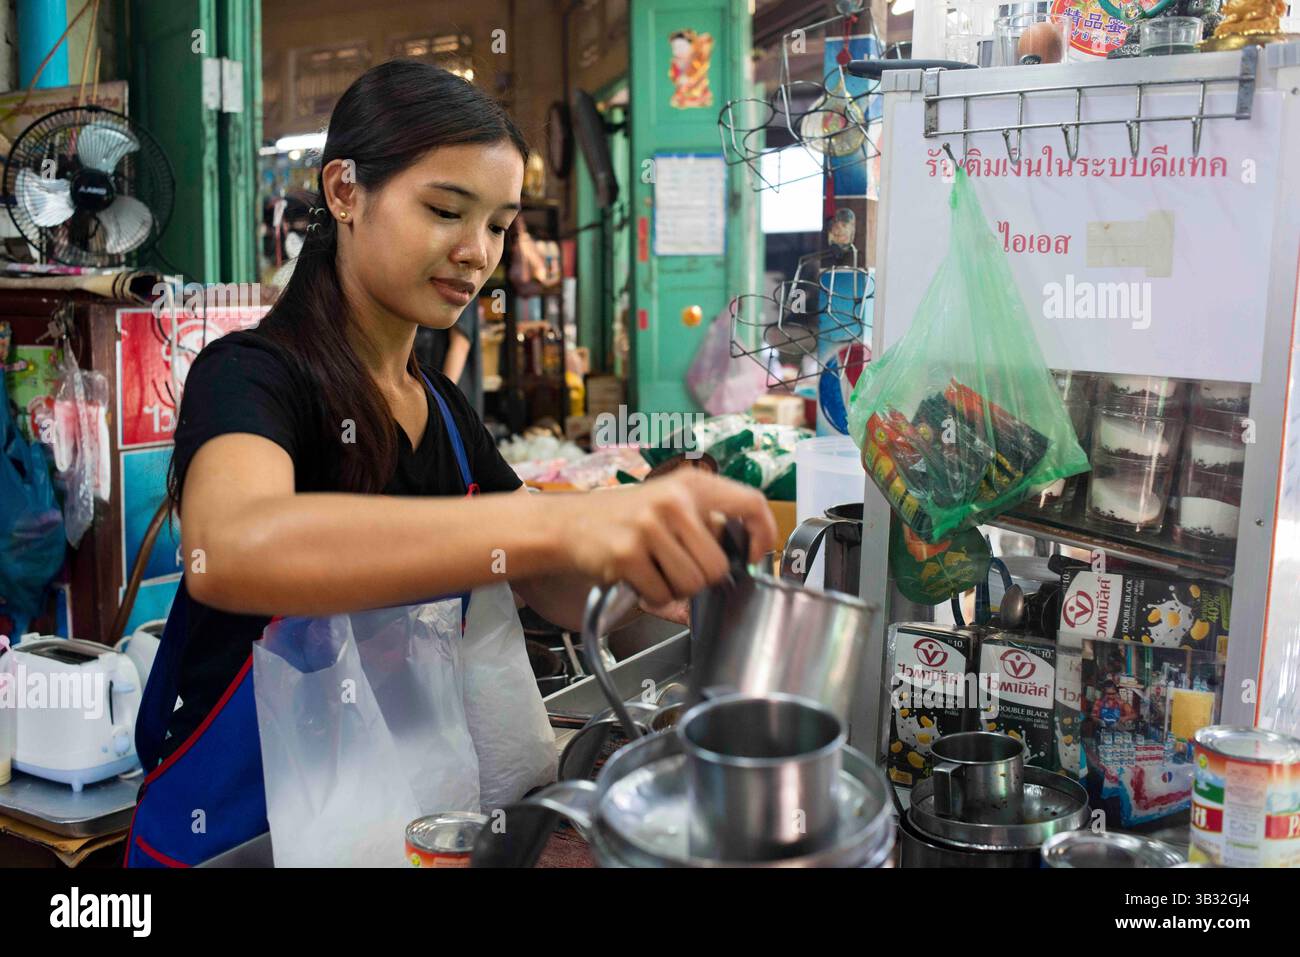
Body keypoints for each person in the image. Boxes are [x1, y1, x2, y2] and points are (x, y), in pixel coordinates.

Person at [123, 60, 775, 867]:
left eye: (499, 225)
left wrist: (639, 566)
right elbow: (227, 551)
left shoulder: (443, 412)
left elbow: (544, 582)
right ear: (345, 191)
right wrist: (553, 520)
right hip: (231, 841)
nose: (477, 253)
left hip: (381, 831)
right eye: (444, 210)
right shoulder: (251, 375)